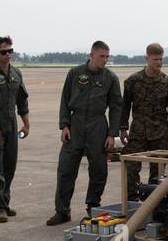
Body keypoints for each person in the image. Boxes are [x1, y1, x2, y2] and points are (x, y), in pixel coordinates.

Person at [49, 40, 122, 225]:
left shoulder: (110, 78)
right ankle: (62, 211)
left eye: (107, 56)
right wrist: (64, 125)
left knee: (99, 169)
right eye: (102, 56)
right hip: (76, 123)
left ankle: (93, 207)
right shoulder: (75, 73)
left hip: (98, 125)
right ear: (92, 54)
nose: (105, 60)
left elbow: (116, 107)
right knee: (65, 169)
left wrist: (112, 134)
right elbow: (65, 100)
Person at [0, 35, 30, 222]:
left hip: (11, 124)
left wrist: (26, 122)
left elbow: (22, 100)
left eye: (10, 51)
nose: (8, 54)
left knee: (9, 165)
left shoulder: (16, 73)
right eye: (4, 51)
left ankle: (5, 202)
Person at [120, 43, 168, 195]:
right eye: (155, 59)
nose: (159, 63)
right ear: (147, 58)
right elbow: (125, 107)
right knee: (131, 168)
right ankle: (132, 202)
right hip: (138, 132)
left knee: (157, 173)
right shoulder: (132, 82)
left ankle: (154, 205)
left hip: (160, 133)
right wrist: (123, 128)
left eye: (161, 59)